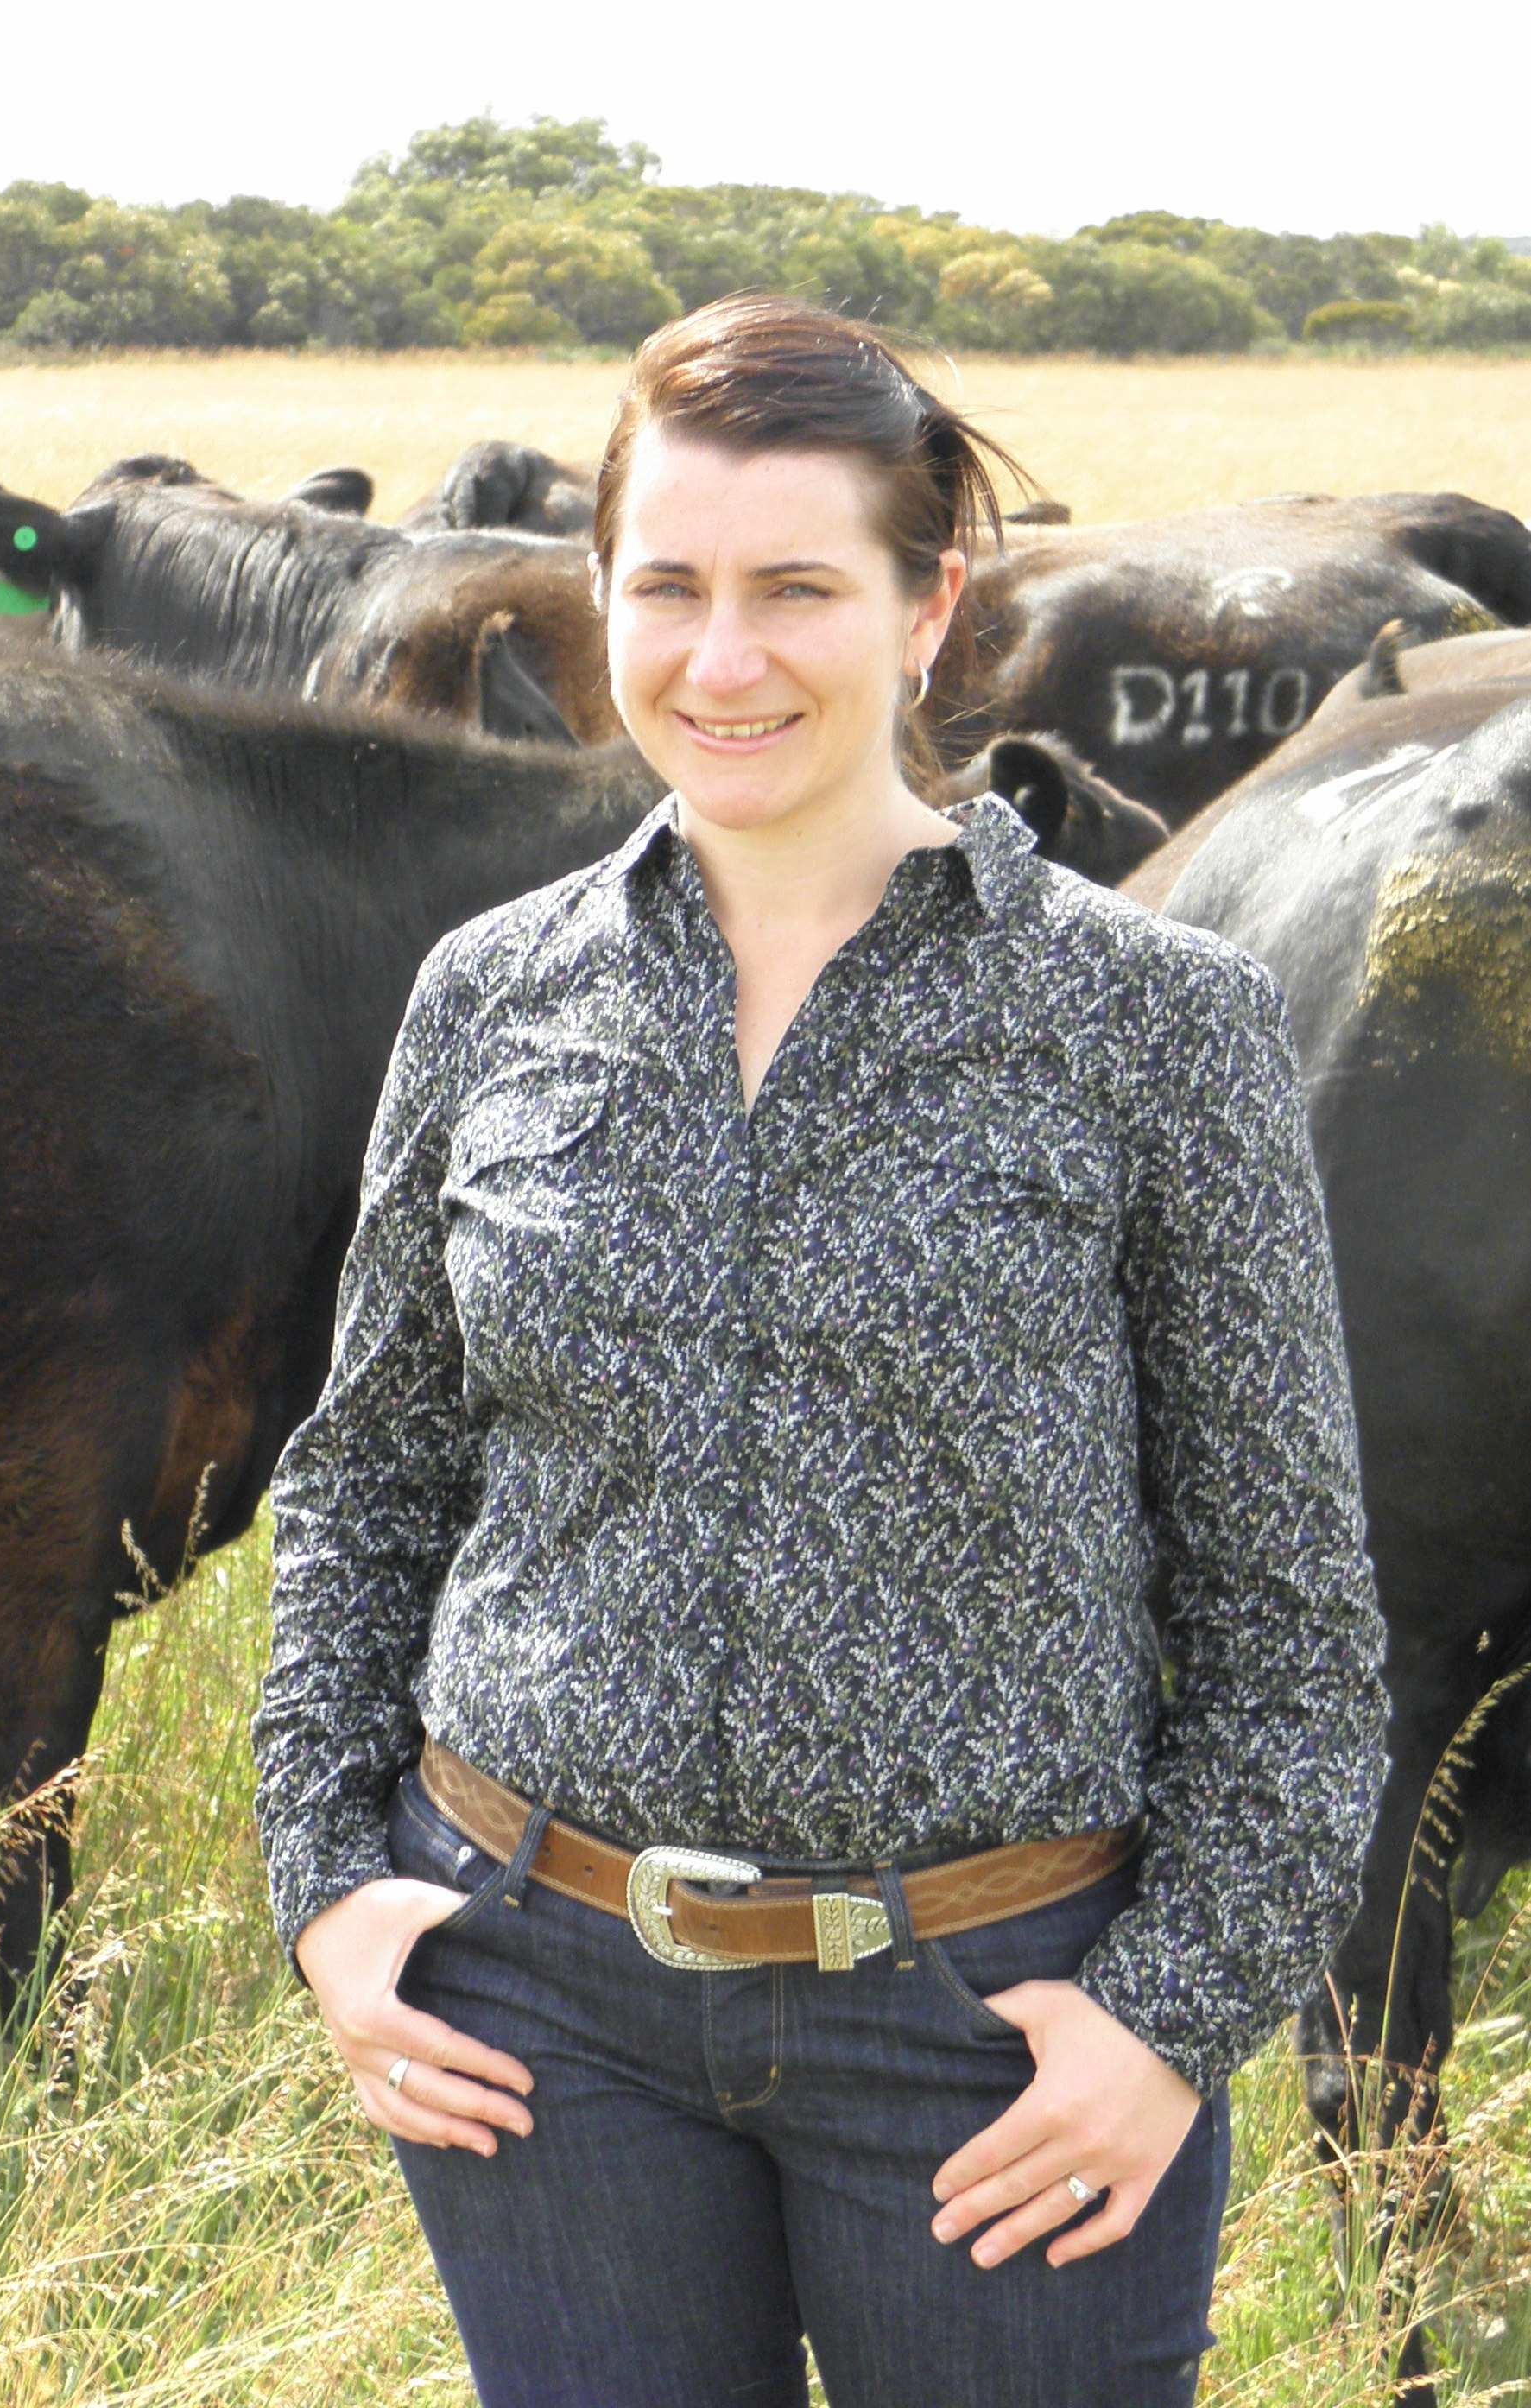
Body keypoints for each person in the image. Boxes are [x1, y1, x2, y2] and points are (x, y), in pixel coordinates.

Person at [250, 295, 1390, 2408]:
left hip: (992, 2027)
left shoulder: (1155, 1024)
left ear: (932, 603)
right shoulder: (489, 996)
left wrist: (1168, 2017)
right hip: (538, 2007)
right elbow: (369, 1477)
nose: (724, 658)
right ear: (599, 599)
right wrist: (330, 1878)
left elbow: (1291, 1610)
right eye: (666, 587)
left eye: (799, 589)